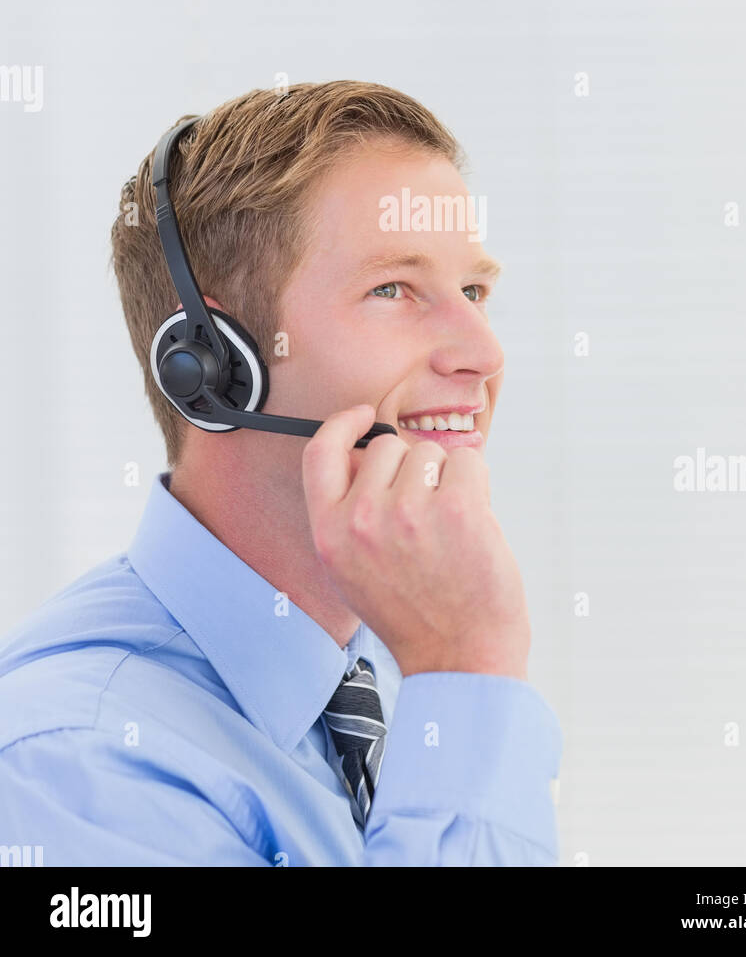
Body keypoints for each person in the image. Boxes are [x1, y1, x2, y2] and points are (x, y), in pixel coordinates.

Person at [0, 82, 562, 866]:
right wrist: (466, 671)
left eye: (473, 290)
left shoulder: (394, 676)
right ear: (214, 367)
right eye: (393, 289)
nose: (482, 351)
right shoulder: (78, 763)